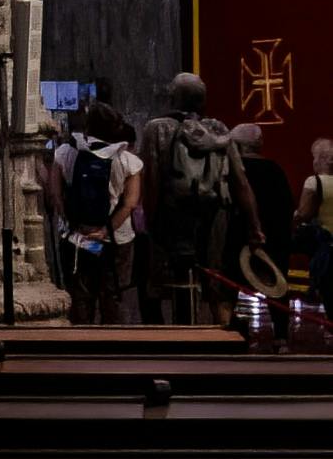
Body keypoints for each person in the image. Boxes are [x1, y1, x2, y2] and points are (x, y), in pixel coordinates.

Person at [135, 73, 260, 320]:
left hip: (171, 215)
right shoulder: (220, 130)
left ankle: (169, 340)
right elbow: (241, 183)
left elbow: (151, 180)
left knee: (166, 282)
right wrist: (255, 225)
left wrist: (149, 220)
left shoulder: (157, 128)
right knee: (210, 279)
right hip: (214, 215)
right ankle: (211, 335)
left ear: (172, 97)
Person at [45, 100, 140, 324]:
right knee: (112, 296)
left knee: (80, 297)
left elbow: (55, 195)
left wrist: (74, 224)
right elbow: (130, 204)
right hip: (117, 240)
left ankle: (81, 349)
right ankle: (113, 351)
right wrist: (105, 231)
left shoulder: (64, 153)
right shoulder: (128, 161)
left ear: (87, 126)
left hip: (75, 238)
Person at [235, 121, 298, 290]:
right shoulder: (275, 169)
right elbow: (287, 206)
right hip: (275, 238)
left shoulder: (235, 170)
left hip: (239, 237)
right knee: (277, 289)